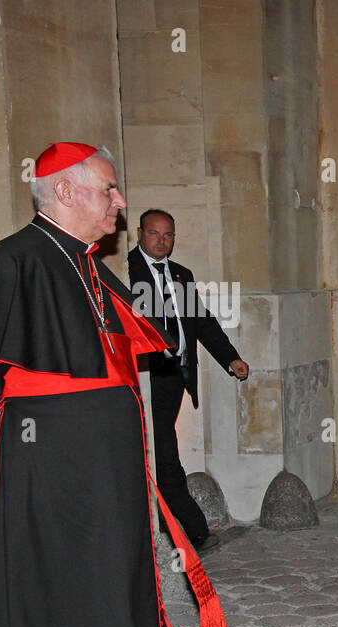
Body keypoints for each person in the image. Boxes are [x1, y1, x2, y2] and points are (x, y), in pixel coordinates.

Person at [0, 142, 228, 627]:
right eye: (110, 191)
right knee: (52, 610)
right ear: (63, 192)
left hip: (105, 488)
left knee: (110, 598)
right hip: (43, 490)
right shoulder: (8, 265)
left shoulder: (93, 270)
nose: (120, 204)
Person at [129, 209, 249, 552]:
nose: (161, 241)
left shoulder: (181, 275)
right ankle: (191, 529)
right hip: (143, 378)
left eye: (168, 235)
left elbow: (202, 322)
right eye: (154, 234)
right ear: (140, 233)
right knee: (160, 454)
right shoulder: (125, 272)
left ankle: (184, 529)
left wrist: (231, 358)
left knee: (164, 451)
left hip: (175, 377)